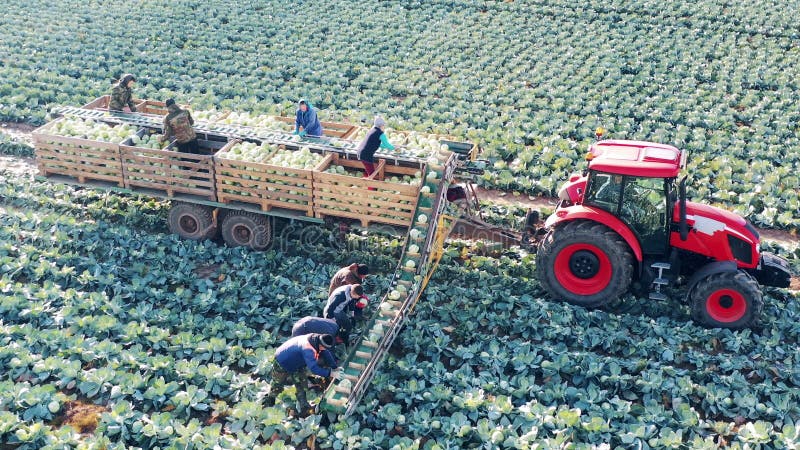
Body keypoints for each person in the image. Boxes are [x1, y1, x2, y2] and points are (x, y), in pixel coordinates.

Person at [264, 333, 340, 413]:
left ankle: (304, 406)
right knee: (278, 383)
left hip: (297, 363)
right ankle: (269, 401)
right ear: (320, 344)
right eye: (323, 347)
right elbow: (314, 369)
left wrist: (335, 367)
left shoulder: (318, 339)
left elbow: (325, 352)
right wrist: (330, 373)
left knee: (301, 383)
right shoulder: (308, 348)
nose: (324, 349)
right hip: (282, 361)